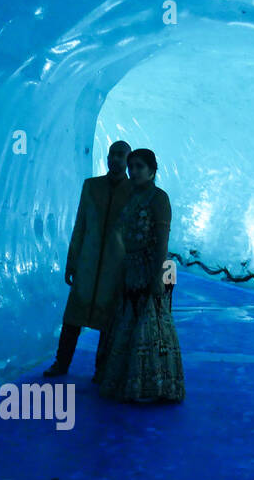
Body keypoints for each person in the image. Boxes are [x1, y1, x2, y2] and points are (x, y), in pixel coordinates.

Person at [97, 148, 185, 403]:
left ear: (152, 171)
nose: (133, 171)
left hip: (152, 268)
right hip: (131, 269)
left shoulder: (159, 199)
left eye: (139, 167)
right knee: (129, 323)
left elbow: (162, 242)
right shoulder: (133, 196)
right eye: (131, 166)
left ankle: (156, 385)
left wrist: (157, 276)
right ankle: (128, 381)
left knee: (152, 326)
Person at [44, 140, 133, 380]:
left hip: (115, 268)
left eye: (120, 155)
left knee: (109, 322)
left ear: (128, 160)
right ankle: (61, 363)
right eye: (112, 154)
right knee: (72, 317)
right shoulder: (91, 186)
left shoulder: (133, 192)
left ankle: (102, 370)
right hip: (88, 263)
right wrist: (72, 261)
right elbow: (80, 226)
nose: (115, 159)